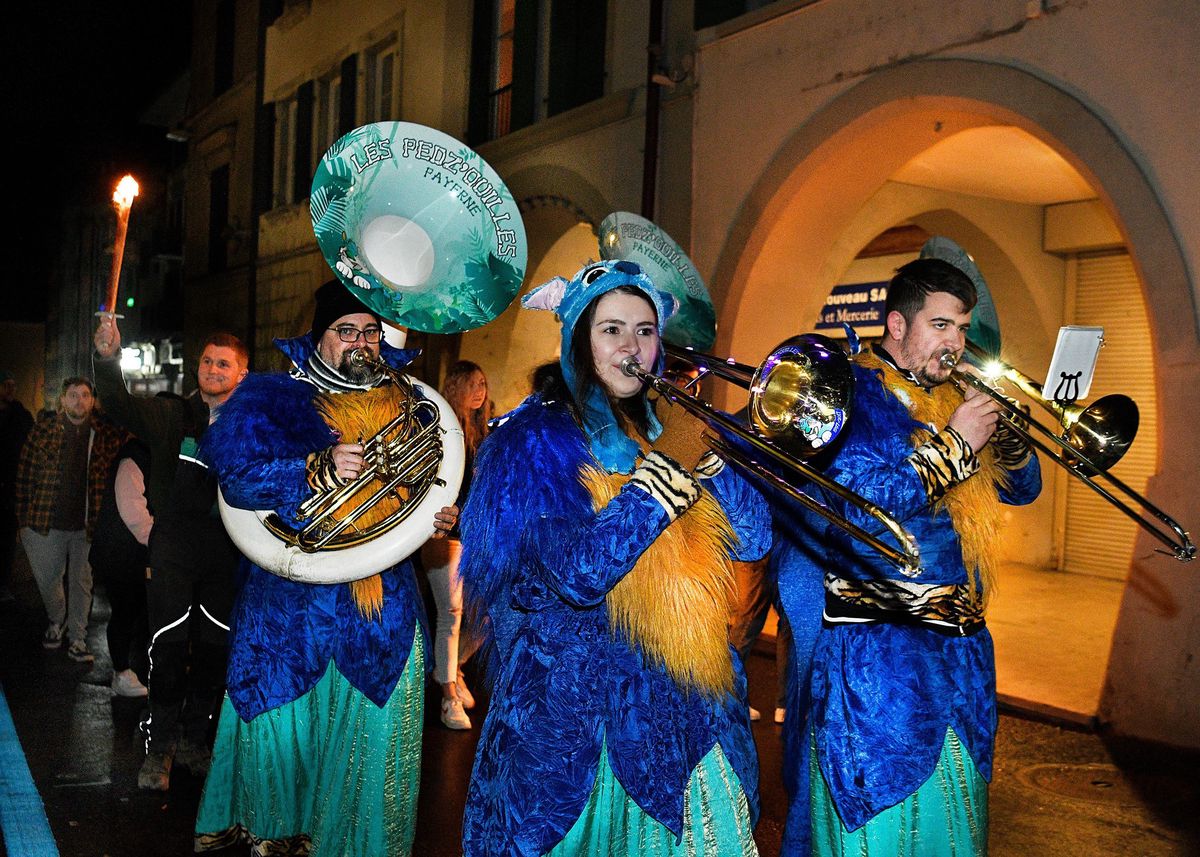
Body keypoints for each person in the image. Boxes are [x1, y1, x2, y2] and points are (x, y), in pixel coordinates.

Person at [459, 259, 771, 856]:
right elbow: (579, 574)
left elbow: (754, 540)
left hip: (681, 707)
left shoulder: (665, 427)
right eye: (612, 330)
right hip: (573, 715)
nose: (633, 346)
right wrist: (653, 494)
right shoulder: (532, 443)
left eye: (646, 331)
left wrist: (706, 457)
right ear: (579, 338)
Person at [193, 279, 458, 856]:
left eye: (370, 331)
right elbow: (236, 483)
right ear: (319, 338)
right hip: (288, 612)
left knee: (372, 759)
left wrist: (445, 518)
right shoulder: (268, 397)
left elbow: (433, 487)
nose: (361, 342)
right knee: (285, 758)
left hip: (382, 614)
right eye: (346, 331)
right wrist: (314, 468)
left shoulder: (414, 406)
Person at [806, 258, 1041, 855]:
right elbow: (853, 510)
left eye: (961, 328)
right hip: (879, 670)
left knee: (954, 836)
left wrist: (1010, 437)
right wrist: (955, 446)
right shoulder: (850, 395)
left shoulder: (950, 399)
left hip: (961, 665)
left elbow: (1023, 488)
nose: (954, 344)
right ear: (896, 325)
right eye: (940, 325)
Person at [94, 316, 249, 791]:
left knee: (211, 654)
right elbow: (118, 402)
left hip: (227, 556)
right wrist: (107, 358)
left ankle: (195, 744)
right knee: (166, 649)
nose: (213, 368)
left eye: (224, 363)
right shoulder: (170, 415)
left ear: (242, 374)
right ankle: (159, 749)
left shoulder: (254, 427)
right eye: (207, 361)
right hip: (173, 554)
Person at [16, 377, 125, 662]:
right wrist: (23, 519)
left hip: (87, 524)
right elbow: (26, 474)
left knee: (81, 582)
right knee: (48, 578)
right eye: (73, 395)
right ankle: (57, 619)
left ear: (92, 400)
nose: (79, 401)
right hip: (46, 520)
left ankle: (78, 638)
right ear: (62, 400)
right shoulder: (44, 432)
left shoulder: (103, 434)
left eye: (85, 395)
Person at [423, 359, 490, 730]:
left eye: (483, 383)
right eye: (472, 383)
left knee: (486, 612)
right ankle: (448, 696)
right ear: (457, 387)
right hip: (442, 534)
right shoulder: (443, 431)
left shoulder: (483, 434)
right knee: (451, 613)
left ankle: (452, 671)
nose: (480, 390)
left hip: (474, 536)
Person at [88, 437, 153, 697]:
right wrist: (159, 540)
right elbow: (133, 512)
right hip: (120, 553)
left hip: (129, 553)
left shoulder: (146, 454)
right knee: (125, 612)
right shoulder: (135, 456)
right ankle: (121, 672)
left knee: (134, 612)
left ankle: (129, 669)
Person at [0, 370, 33, 603]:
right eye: (5, 385)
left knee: (6, 540)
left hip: (10, 489)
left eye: (13, 384)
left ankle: (3, 584)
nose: (10, 389)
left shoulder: (20, 416)